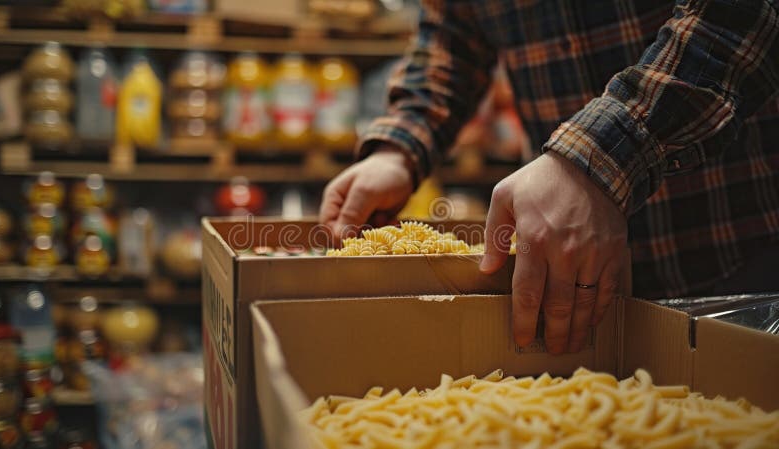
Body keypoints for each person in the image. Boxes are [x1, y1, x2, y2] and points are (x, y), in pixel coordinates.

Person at [319, 0, 779, 355]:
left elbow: (737, 16)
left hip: (742, 246)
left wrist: (599, 158)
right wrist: (399, 147)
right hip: (562, 271)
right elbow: (450, 41)